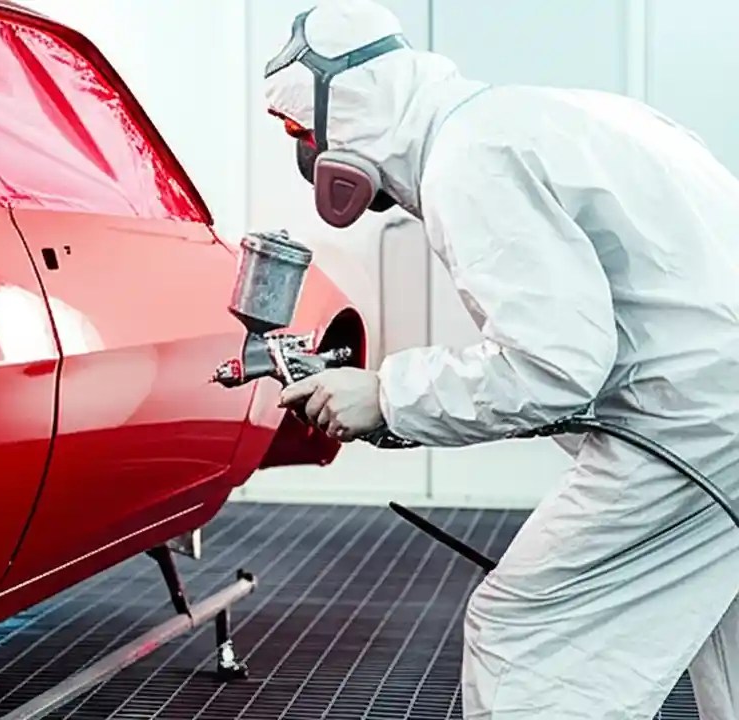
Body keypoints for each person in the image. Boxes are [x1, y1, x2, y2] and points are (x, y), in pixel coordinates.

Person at [263, 1, 739, 717]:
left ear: (351, 104)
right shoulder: (543, 117)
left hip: (692, 430)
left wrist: (388, 397)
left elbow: (556, 366)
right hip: (713, 413)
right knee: (718, 633)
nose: (305, 155)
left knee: (528, 638)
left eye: (303, 130)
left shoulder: (469, 158)